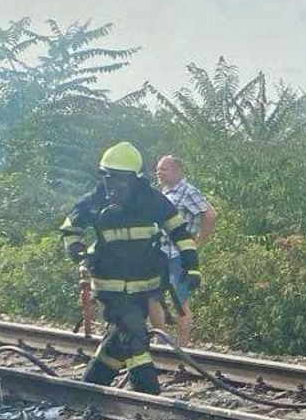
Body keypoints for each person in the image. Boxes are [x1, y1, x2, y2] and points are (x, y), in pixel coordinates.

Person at [59, 142, 199, 394]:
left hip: (144, 287)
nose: (114, 184)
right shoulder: (94, 200)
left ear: (135, 179)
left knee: (119, 342)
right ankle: (149, 396)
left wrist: (192, 266)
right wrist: (78, 252)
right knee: (135, 338)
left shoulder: (152, 200)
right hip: (110, 287)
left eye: (121, 179)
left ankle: (87, 391)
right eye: (109, 177)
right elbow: (70, 229)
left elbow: (179, 232)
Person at [147, 154, 216, 347]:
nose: (159, 173)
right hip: (159, 254)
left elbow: (210, 214)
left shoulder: (187, 191)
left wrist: (198, 242)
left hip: (178, 256)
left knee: (179, 300)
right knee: (153, 297)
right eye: (158, 169)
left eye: (164, 169)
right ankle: (160, 341)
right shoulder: (162, 192)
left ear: (177, 171)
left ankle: (183, 346)